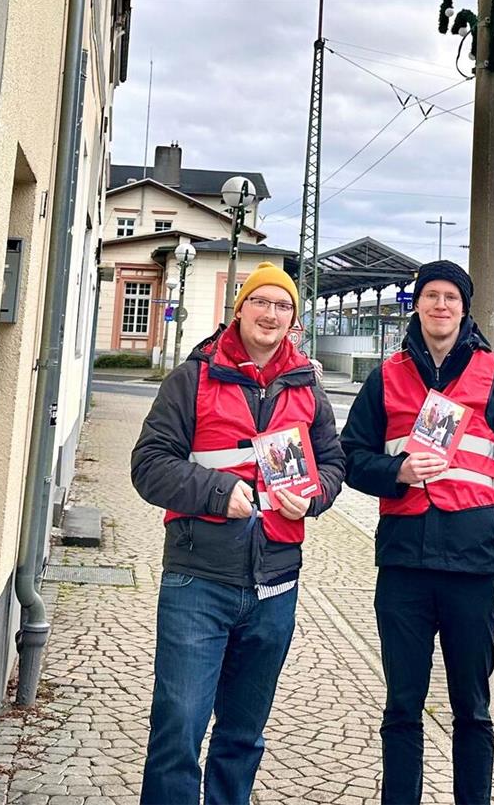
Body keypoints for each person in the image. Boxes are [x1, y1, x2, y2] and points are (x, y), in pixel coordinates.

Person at [131, 262, 345, 805]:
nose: (271, 314)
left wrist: (314, 497)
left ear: (294, 320)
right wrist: (216, 492)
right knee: (179, 728)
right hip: (198, 580)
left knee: (243, 736)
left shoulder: (308, 387)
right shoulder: (193, 378)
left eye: (282, 306)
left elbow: (333, 463)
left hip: (276, 584)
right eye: (260, 302)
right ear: (239, 309)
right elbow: (149, 466)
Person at [341, 260, 494, 805]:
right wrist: (398, 473)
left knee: (472, 709)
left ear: (464, 308)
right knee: (402, 706)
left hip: (471, 567)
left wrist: (482, 510)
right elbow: (351, 457)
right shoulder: (387, 377)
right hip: (404, 564)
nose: (440, 305)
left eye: (451, 297)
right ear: (417, 304)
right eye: (431, 295)